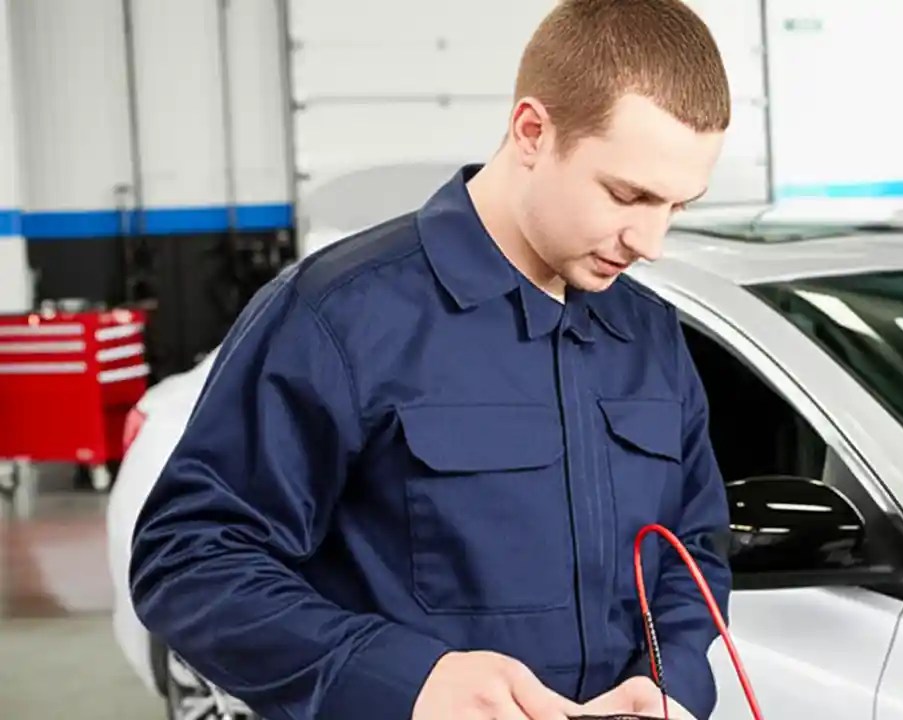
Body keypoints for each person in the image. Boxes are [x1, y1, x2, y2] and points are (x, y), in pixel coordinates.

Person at [127, 1, 734, 718]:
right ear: (533, 131)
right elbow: (190, 561)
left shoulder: (649, 334)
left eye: (677, 207)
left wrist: (671, 681)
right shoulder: (339, 316)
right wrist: (406, 682)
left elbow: (693, 548)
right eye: (628, 194)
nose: (651, 241)